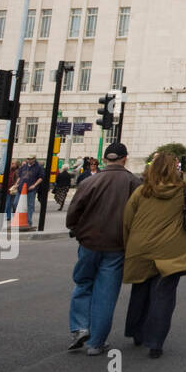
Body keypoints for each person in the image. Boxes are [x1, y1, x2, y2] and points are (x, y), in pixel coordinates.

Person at [122, 150, 186, 358]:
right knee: (164, 295)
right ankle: (155, 342)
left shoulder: (141, 191)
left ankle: (137, 331)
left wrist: (128, 246)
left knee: (140, 289)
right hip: (172, 249)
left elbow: (127, 219)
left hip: (141, 247)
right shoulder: (185, 189)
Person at [65, 142, 143, 355]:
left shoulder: (91, 181)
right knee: (106, 293)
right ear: (124, 158)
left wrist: (78, 231)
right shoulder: (133, 183)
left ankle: (80, 327)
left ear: (105, 159)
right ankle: (96, 342)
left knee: (83, 284)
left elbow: (73, 213)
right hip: (116, 245)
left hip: (89, 242)